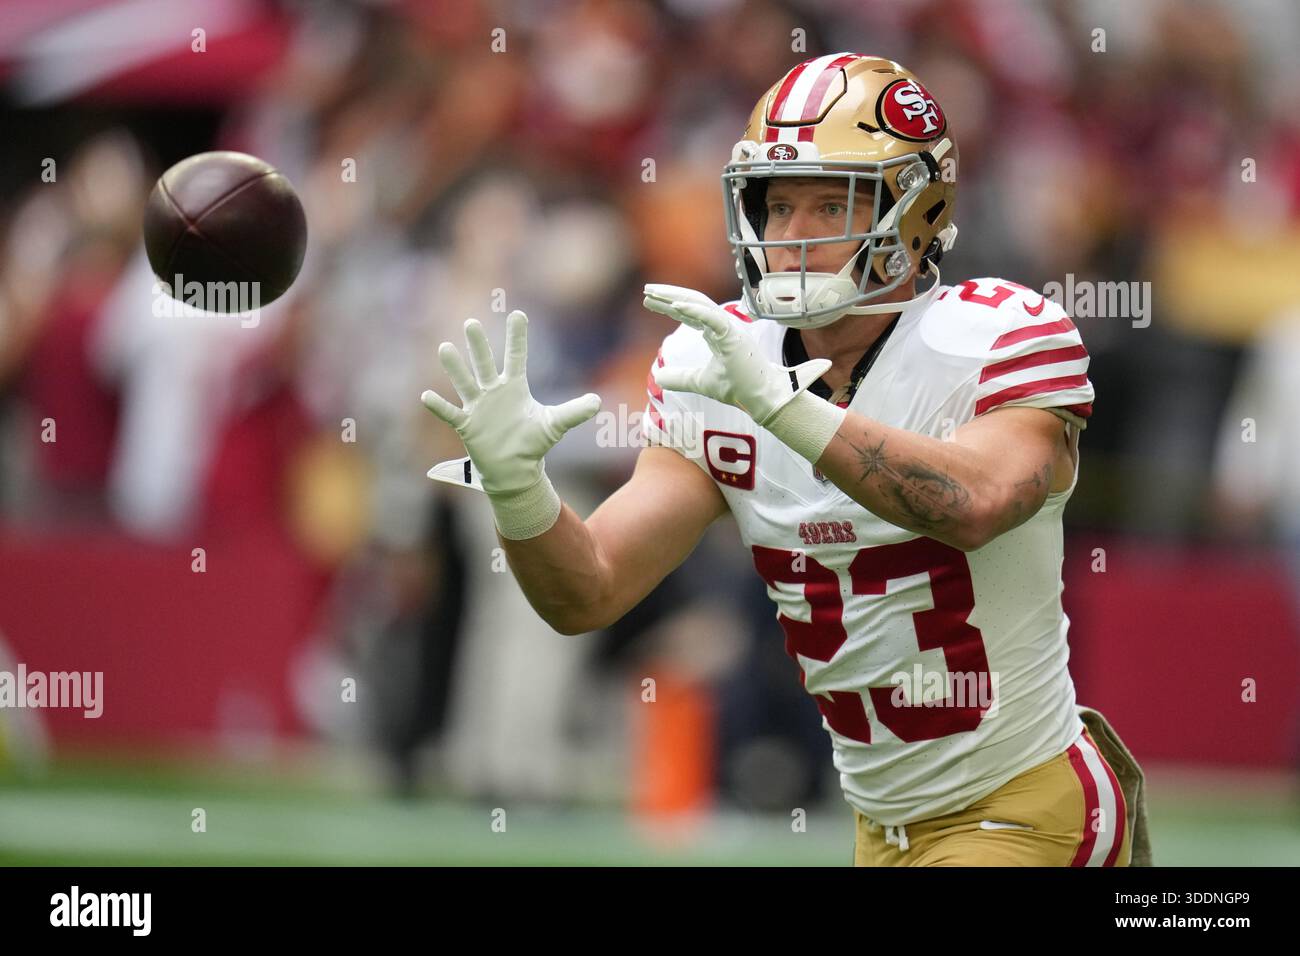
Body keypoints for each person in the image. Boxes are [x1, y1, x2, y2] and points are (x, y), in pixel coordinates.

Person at [419, 53, 1149, 866]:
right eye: (778, 204)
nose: (795, 237)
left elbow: (974, 503)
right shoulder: (722, 363)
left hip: (1025, 807)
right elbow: (588, 589)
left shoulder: (998, 338)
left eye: (832, 203)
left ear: (916, 210)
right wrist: (521, 494)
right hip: (882, 831)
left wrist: (786, 407)